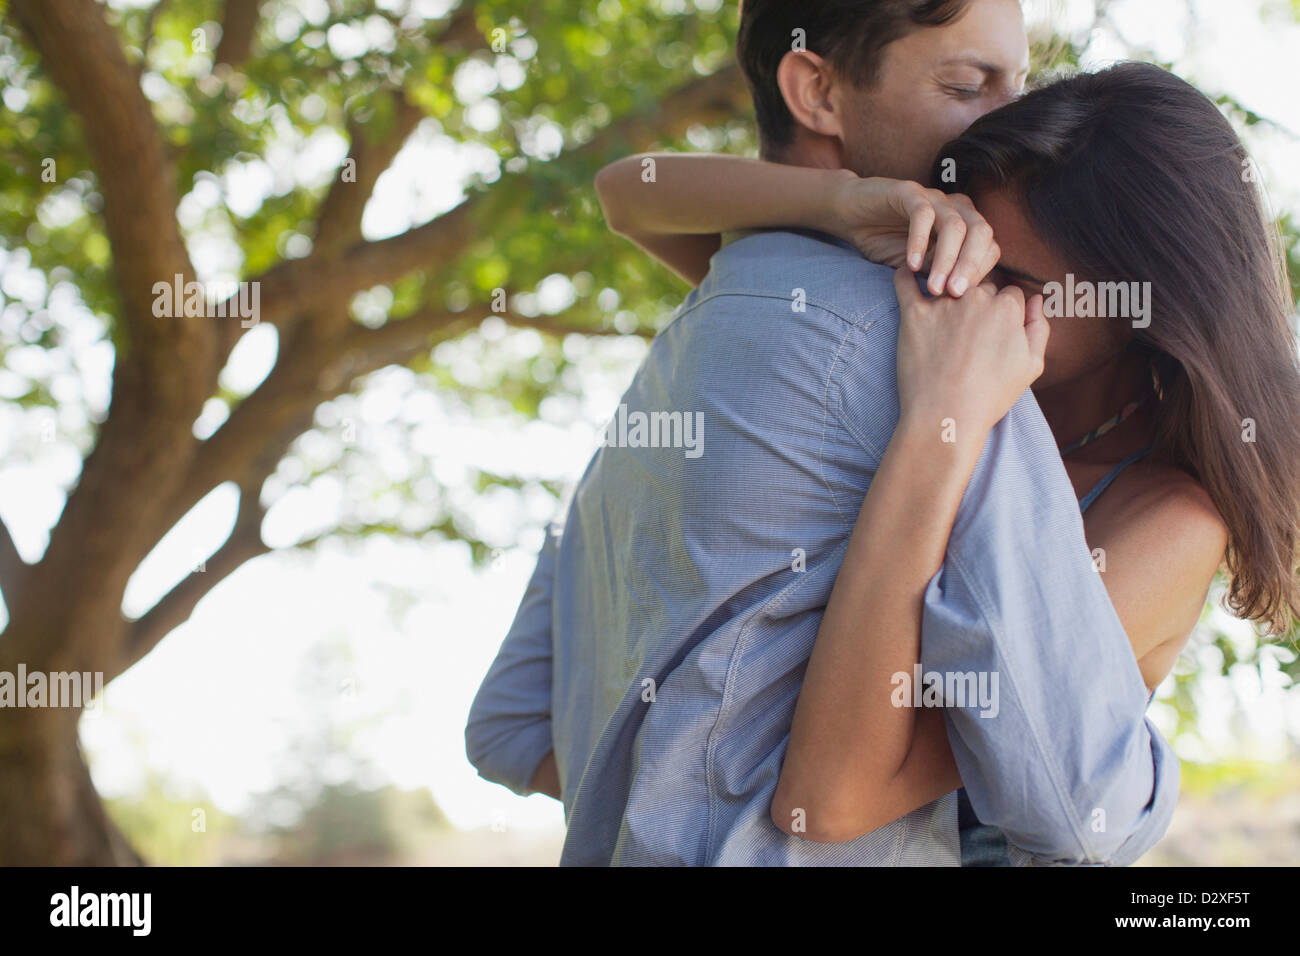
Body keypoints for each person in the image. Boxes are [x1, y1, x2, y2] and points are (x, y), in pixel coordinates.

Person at [466, 0, 1184, 865]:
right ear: (816, 90)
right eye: (967, 84)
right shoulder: (949, 357)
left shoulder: (665, 387)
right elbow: (1075, 806)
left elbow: (506, 730)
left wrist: (679, 791)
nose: (1013, 119)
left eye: (1018, 83)